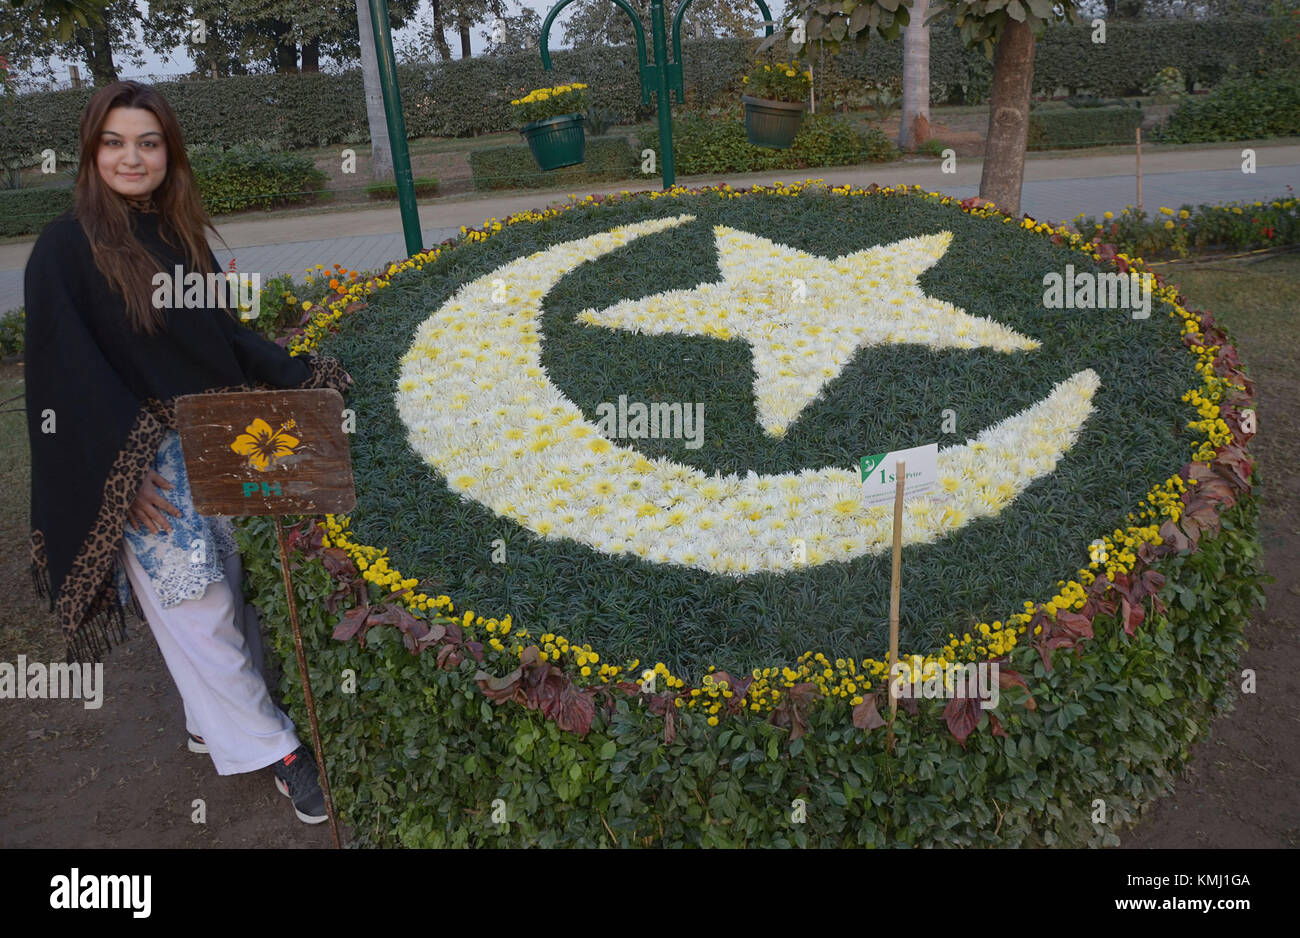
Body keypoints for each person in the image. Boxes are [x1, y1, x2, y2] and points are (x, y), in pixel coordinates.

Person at [24, 80, 351, 826]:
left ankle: (211, 721)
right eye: (113, 142)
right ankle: (280, 754)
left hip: (215, 440)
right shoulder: (63, 250)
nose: (131, 157)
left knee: (233, 593)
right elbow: (63, 373)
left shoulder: (179, 236)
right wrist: (120, 478)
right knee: (197, 606)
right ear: (89, 150)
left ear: (168, 152)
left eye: (148, 142)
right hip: (136, 465)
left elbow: (223, 339)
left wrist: (303, 378)